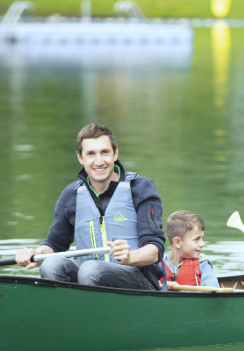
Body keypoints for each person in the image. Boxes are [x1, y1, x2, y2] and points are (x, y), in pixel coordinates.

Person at [15, 123, 165, 291]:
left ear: (115, 153)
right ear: (80, 157)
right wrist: (36, 254)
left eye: (105, 152)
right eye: (91, 154)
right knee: (50, 265)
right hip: (88, 278)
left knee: (91, 269)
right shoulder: (71, 195)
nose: (99, 161)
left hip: (138, 281)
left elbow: (156, 249)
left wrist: (130, 257)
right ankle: (67, 313)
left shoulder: (140, 188)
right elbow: (55, 243)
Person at [161, 210, 219, 289]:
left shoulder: (203, 265)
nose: (202, 244)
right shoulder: (157, 266)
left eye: (202, 238)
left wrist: (181, 291)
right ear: (177, 242)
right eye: (196, 239)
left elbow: (213, 293)